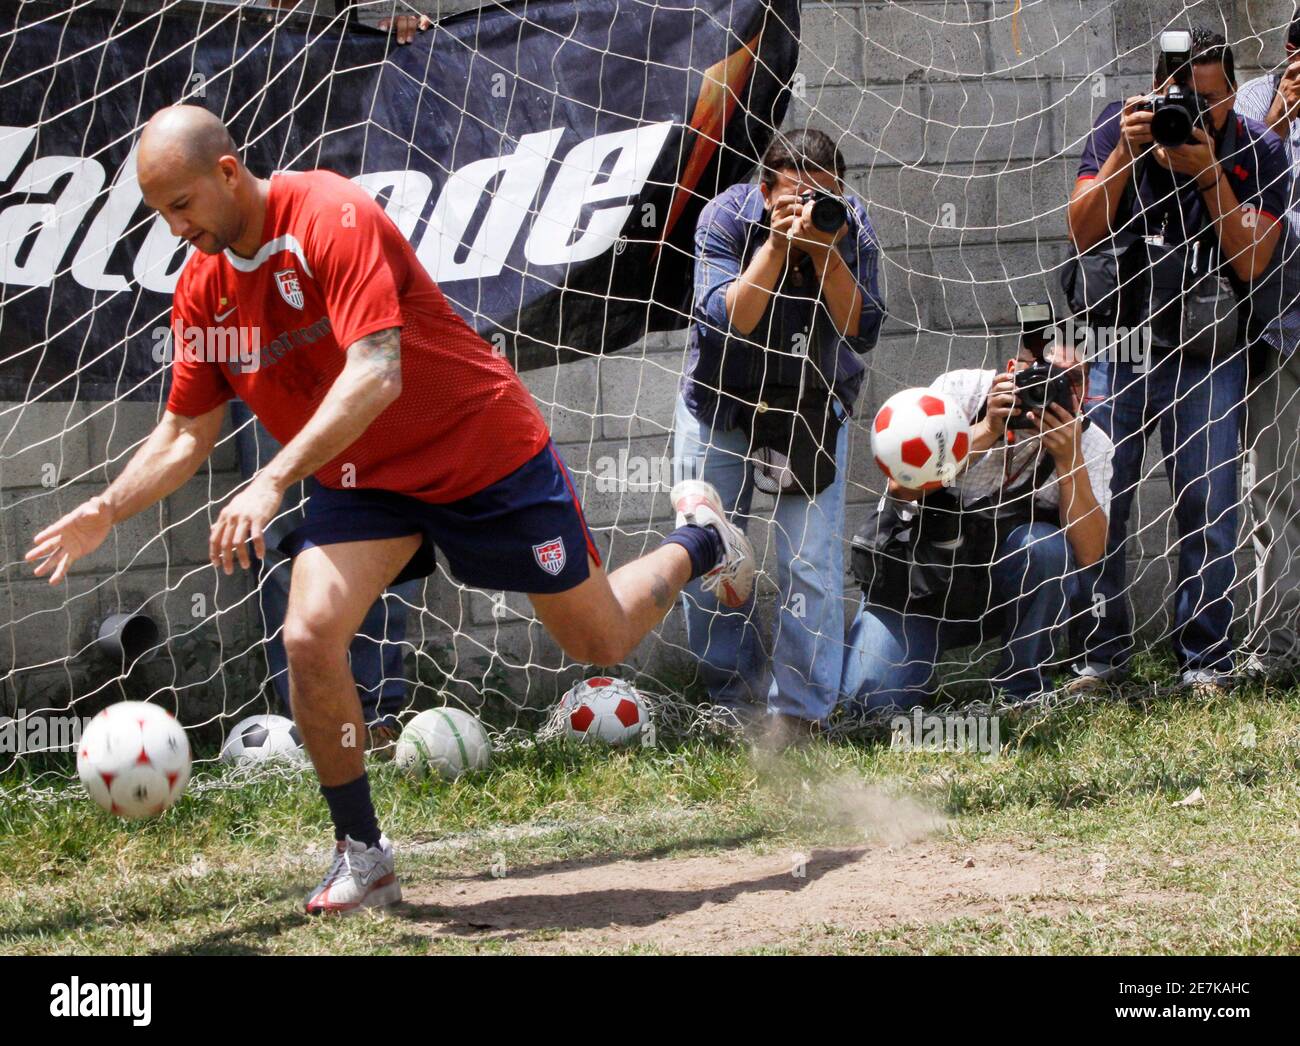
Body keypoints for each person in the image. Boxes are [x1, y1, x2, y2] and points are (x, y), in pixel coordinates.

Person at [25, 105, 754, 915]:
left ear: (228, 172)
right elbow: (184, 432)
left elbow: (377, 371)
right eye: (159, 212)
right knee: (309, 633)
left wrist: (272, 482)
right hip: (363, 479)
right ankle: (364, 855)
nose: (173, 227)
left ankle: (702, 539)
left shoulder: (332, 214)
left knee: (600, 638)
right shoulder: (203, 293)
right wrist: (105, 508)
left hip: (480, 452)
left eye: (182, 204)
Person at [1065, 27, 1289, 694]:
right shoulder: (1118, 127)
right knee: (1102, 499)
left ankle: (1204, 658)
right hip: (1119, 347)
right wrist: (1126, 158)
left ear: (1233, 91)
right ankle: (1101, 656)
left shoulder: (1258, 148)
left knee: (1210, 506)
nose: (1199, 112)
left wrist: (1211, 175)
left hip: (1209, 355)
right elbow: (1081, 231)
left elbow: (1253, 260)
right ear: (1159, 87)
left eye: (1215, 99)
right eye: (1185, 96)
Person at [675, 127, 885, 747]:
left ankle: (800, 713)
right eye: (798, 197)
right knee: (707, 556)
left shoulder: (849, 224)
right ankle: (730, 702)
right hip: (721, 401)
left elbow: (861, 328)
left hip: (808, 407)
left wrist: (825, 251)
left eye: (827, 196)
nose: (815, 208)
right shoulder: (725, 219)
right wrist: (775, 244)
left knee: (810, 562)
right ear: (765, 192)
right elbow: (730, 318)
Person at [841, 330, 1113, 711]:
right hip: (919, 590)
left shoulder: (1091, 442)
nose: (1052, 388)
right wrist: (985, 430)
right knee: (869, 704)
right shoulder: (957, 393)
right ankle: (915, 669)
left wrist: (1070, 464)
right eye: (1041, 374)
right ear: (1012, 370)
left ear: (1086, 390)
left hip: (997, 594)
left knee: (1044, 547)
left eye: (1073, 379)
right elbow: (901, 488)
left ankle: (1022, 692)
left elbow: (1090, 552)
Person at [231, 399, 418, 752]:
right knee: (276, 537)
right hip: (267, 360)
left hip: (366, 359)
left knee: (384, 529)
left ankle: (375, 719)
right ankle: (313, 721)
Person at [1231, 10, 1300, 682]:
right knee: (1273, 496)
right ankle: (1275, 649)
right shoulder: (1255, 98)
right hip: (1280, 328)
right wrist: (1284, 113)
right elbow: (1238, 191)